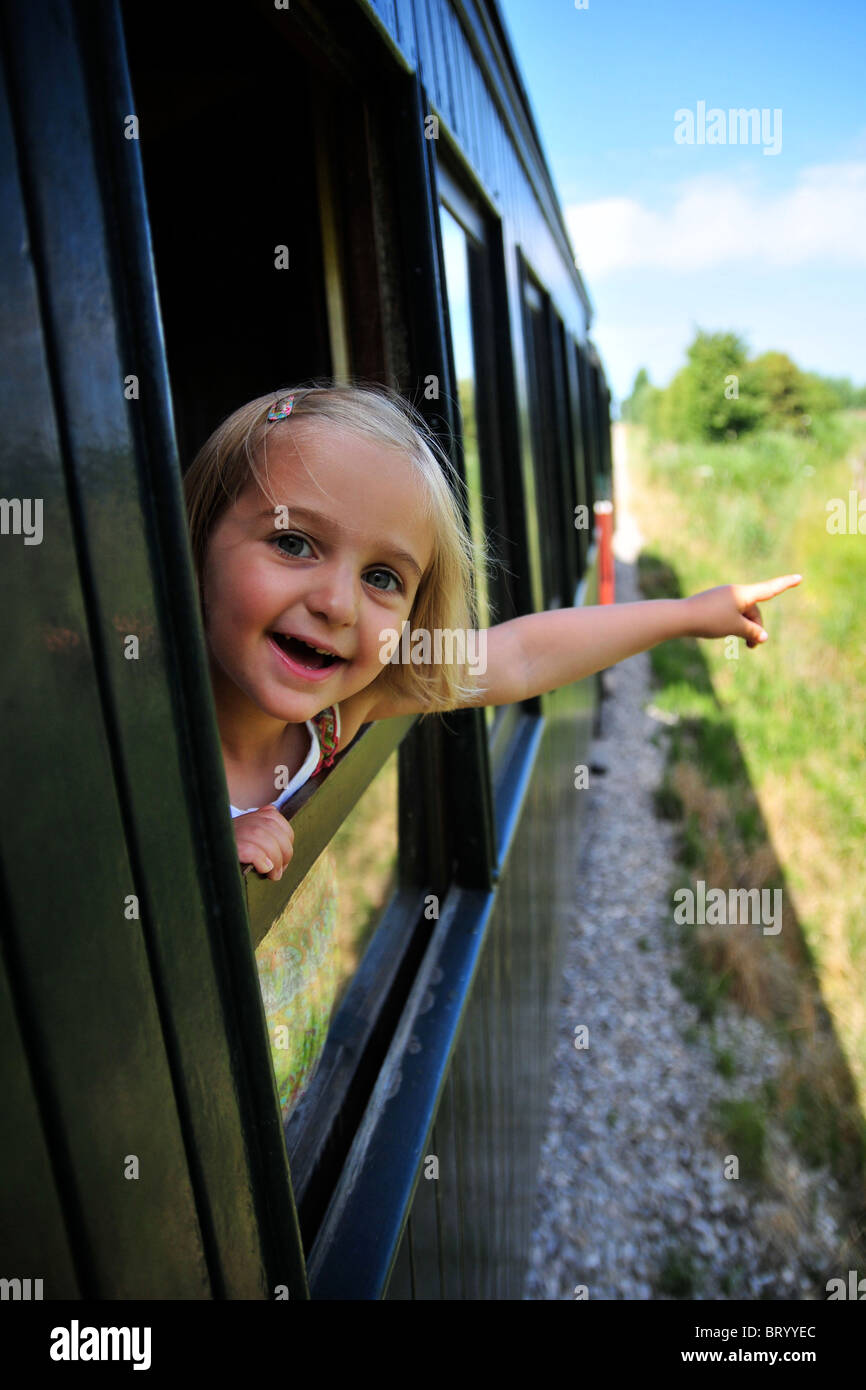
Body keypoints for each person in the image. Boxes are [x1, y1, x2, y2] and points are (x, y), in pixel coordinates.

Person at [183, 381, 802, 1119]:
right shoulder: (140, 740)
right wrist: (190, 861)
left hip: (282, 1092)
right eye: (292, 542)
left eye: (383, 577)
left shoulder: (340, 715)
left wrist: (685, 615)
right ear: (194, 537)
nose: (339, 604)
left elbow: (518, 659)